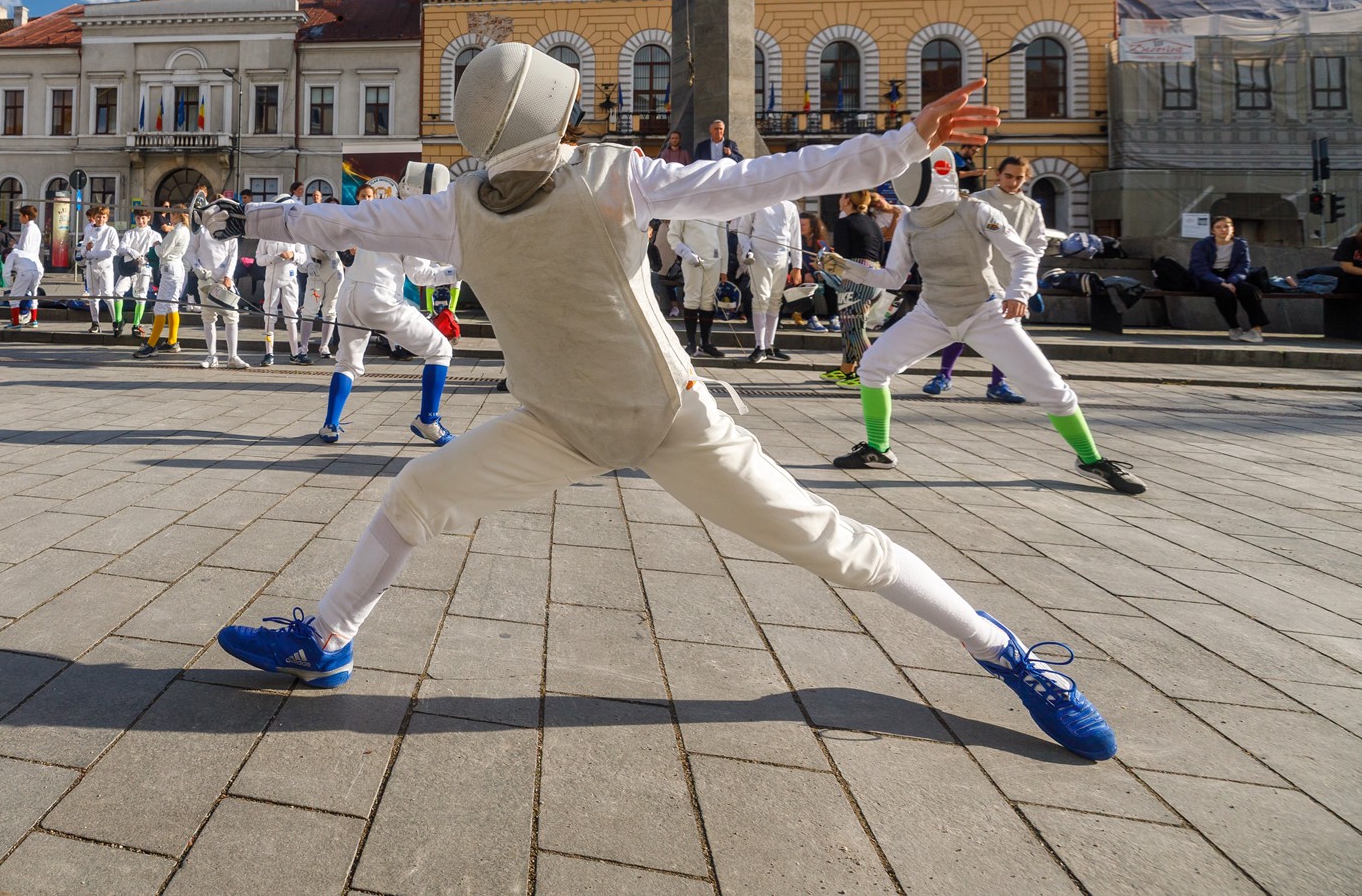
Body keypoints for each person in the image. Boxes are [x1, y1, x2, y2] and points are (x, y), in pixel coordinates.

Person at [211, 45, 1117, 762]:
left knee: (837, 545)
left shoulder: (609, 179)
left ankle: (1006, 652)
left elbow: (764, 180)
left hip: (672, 419)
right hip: (556, 424)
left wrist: (902, 146)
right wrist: (245, 217)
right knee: (417, 492)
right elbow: (340, 219)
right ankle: (328, 638)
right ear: (547, 112)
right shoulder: (460, 206)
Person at [826, 148, 1146, 497]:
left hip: (986, 312)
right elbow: (894, 277)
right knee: (873, 367)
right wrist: (845, 267)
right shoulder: (909, 221)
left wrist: (1018, 293)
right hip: (932, 313)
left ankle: (1091, 459)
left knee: (1052, 390)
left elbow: (1022, 254)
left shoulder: (976, 210)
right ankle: (878, 449)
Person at [311, 170, 460, 445]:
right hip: (379, 296)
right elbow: (420, 276)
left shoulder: (383, 208)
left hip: (350, 293)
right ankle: (428, 420)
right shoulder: (417, 222)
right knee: (440, 350)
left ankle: (330, 424)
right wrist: (456, 272)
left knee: (347, 361)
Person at [924, 157, 1043, 401]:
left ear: (1026, 178)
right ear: (998, 174)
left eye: (1019, 178)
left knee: (1007, 335)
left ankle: (998, 383)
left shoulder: (1031, 207)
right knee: (958, 325)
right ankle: (943, 375)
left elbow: (1037, 244)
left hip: (1010, 279)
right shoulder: (979, 200)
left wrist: (1026, 275)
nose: (1013, 182)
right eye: (1008, 176)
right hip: (976, 275)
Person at [820, 191, 889, 387]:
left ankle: (871, 373)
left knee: (855, 329)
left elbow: (843, 256)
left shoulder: (844, 223)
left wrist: (826, 262)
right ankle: (847, 369)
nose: (839, 200)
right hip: (875, 274)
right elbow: (880, 253)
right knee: (850, 325)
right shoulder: (872, 223)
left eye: (842, 197)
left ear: (848, 201)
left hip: (855, 277)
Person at [733, 197, 798, 362]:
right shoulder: (756, 202)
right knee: (761, 299)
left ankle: (769, 345)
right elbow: (743, 231)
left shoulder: (790, 206)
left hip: (782, 257)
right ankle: (759, 346)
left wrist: (797, 266)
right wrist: (747, 250)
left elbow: (795, 237)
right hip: (759, 255)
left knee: (775, 300)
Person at [1192, 215, 1269, 344]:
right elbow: (1199, 269)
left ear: (1232, 229)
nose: (1223, 230)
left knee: (1250, 291)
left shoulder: (1240, 244)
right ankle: (1234, 327)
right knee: (1223, 293)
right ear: (1213, 230)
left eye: (1226, 226)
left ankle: (1256, 330)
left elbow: (1243, 266)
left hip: (1231, 275)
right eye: (1218, 227)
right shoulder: (1202, 245)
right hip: (1209, 276)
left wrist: (1231, 281)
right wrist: (1221, 282)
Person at [191, 207, 250, 369]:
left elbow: (233, 254)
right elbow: (190, 250)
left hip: (224, 279)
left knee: (231, 316)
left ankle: (233, 356)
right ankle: (212, 356)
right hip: (206, 278)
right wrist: (198, 268)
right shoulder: (201, 229)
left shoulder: (230, 229)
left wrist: (228, 276)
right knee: (208, 316)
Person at [664, 213, 728, 357]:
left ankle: (706, 343)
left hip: (714, 260)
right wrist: (686, 253)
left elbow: (722, 240)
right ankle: (691, 343)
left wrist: (724, 269)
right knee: (692, 299)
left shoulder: (718, 208)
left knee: (708, 301)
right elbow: (673, 236)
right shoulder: (684, 207)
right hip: (692, 260)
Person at [133, 210, 189, 357]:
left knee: (160, 307)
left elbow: (162, 252)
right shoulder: (183, 230)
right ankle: (172, 341)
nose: (169, 217)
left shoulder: (177, 231)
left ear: (176, 215)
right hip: (176, 268)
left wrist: (157, 245)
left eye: (171, 214)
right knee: (172, 306)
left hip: (170, 269)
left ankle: (151, 345)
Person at [301, 189, 346, 359]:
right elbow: (303, 246)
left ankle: (325, 345)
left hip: (334, 269)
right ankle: (303, 347)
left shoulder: (342, 227)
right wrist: (308, 263)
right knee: (309, 308)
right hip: (316, 269)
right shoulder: (312, 226)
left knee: (330, 309)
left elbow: (348, 250)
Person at [256, 232, 307, 365]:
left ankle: (295, 353)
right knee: (269, 314)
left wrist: (292, 255)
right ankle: (269, 353)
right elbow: (259, 259)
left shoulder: (294, 234)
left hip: (290, 278)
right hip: (272, 279)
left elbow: (303, 257)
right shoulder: (266, 235)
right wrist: (272, 258)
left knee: (291, 315)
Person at [112, 209, 160, 339]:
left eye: (143, 218)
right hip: (129, 268)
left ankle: (136, 324)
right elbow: (120, 249)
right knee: (117, 291)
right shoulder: (129, 233)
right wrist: (131, 251)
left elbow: (158, 253)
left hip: (144, 269)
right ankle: (119, 320)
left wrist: (147, 258)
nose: (141, 221)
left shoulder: (155, 235)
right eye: (138, 218)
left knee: (141, 296)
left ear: (148, 218)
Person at [78, 204, 119, 332]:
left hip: (105, 267)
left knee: (107, 294)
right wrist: (86, 248)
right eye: (98, 217)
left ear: (107, 218)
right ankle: (95, 322)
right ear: (93, 217)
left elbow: (113, 250)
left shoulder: (110, 231)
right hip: (91, 267)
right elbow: (83, 252)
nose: (100, 219)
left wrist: (95, 254)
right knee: (93, 296)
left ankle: (115, 321)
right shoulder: (89, 231)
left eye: (103, 217)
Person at [4, 205, 43, 328]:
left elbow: (25, 248)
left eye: (20, 215)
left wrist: (14, 246)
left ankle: (16, 321)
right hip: (36, 264)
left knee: (15, 297)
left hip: (26, 263)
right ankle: (33, 319)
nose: (19, 218)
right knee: (33, 293)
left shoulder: (29, 229)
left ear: (26, 216)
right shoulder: (34, 228)